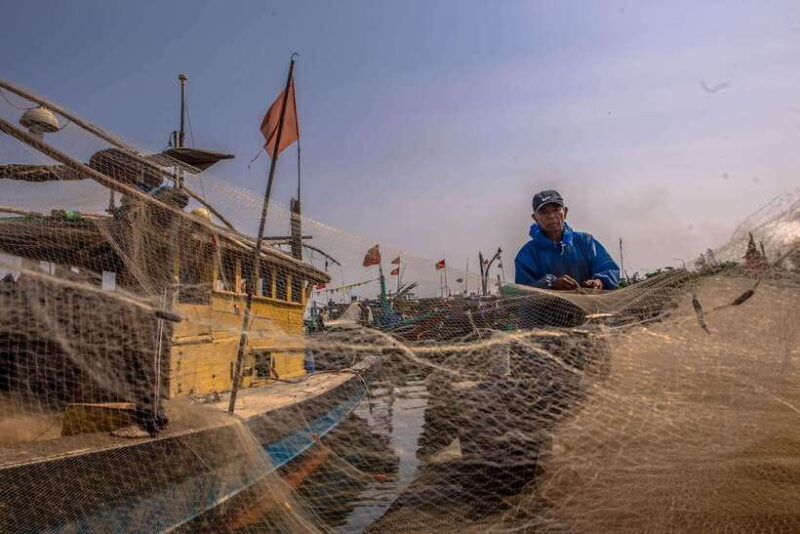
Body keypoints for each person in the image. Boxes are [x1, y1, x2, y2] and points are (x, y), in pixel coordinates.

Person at [515, 190, 619, 291]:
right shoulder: (527, 254)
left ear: (565, 212)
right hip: (548, 309)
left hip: (590, 308)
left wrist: (599, 281)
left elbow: (609, 268)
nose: (551, 216)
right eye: (544, 212)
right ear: (535, 218)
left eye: (556, 210)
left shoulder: (585, 242)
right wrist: (550, 285)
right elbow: (524, 292)